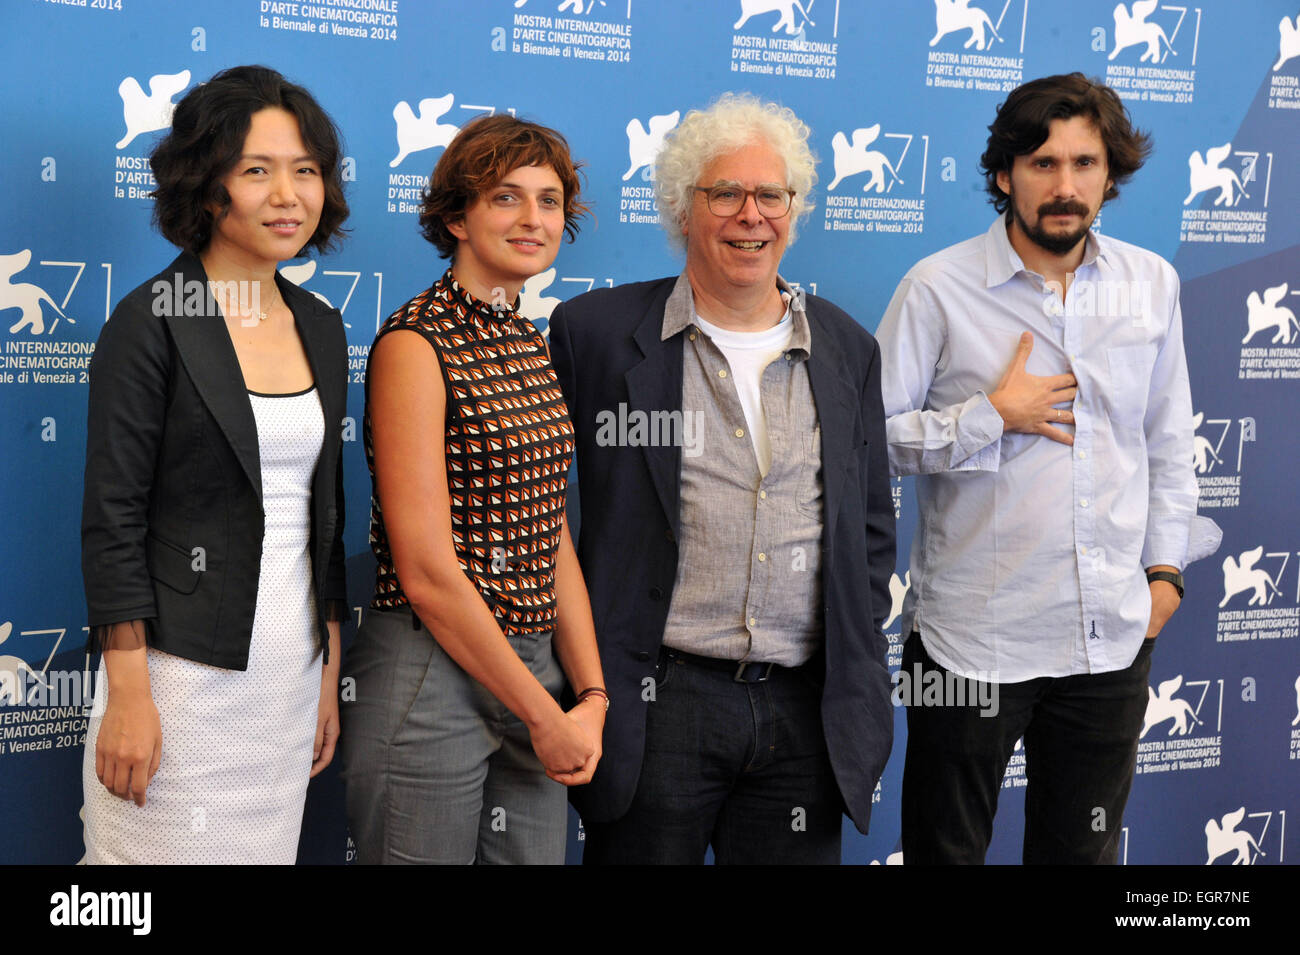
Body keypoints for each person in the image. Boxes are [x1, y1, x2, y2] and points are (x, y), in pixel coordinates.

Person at [877, 72, 1221, 864]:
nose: (1064, 187)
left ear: (1110, 174)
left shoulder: (1150, 284)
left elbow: (1168, 441)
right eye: (1041, 163)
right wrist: (991, 416)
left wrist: (1164, 573)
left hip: (1109, 639)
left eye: (1084, 164)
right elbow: (873, 439)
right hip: (974, 639)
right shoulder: (938, 287)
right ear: (1004, 175)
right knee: (945, 851)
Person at [548, 93, 896, 865]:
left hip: (807, 712)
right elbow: (537, 493)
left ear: (793, 209)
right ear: (683, 208)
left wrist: (854, 643)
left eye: (770, 195)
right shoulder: (595, 335)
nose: (751, 215)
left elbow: (870, 530)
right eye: (726, 194)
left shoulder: (846, 347)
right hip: (656, 700)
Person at [80, 65, 351, 864]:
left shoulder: (322, 326)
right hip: (176, 678)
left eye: (305, 171)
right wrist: (129, 693)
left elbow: (322, 514)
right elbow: (113, 518)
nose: (288, 195)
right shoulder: (150, 322)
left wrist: (328, 670)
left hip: (286, 680)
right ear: (207, 188)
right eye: (257, 170)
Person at [340, 115, 605, 865]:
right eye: (506, 198)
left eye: (549, 201)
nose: (533, 219)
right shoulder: (413, 343)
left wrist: (589, 697)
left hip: (536, 671)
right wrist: (543, 711)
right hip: (431, 673)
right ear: (456, 216)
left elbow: (549, 531)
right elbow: (426, 572)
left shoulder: (529, 339)